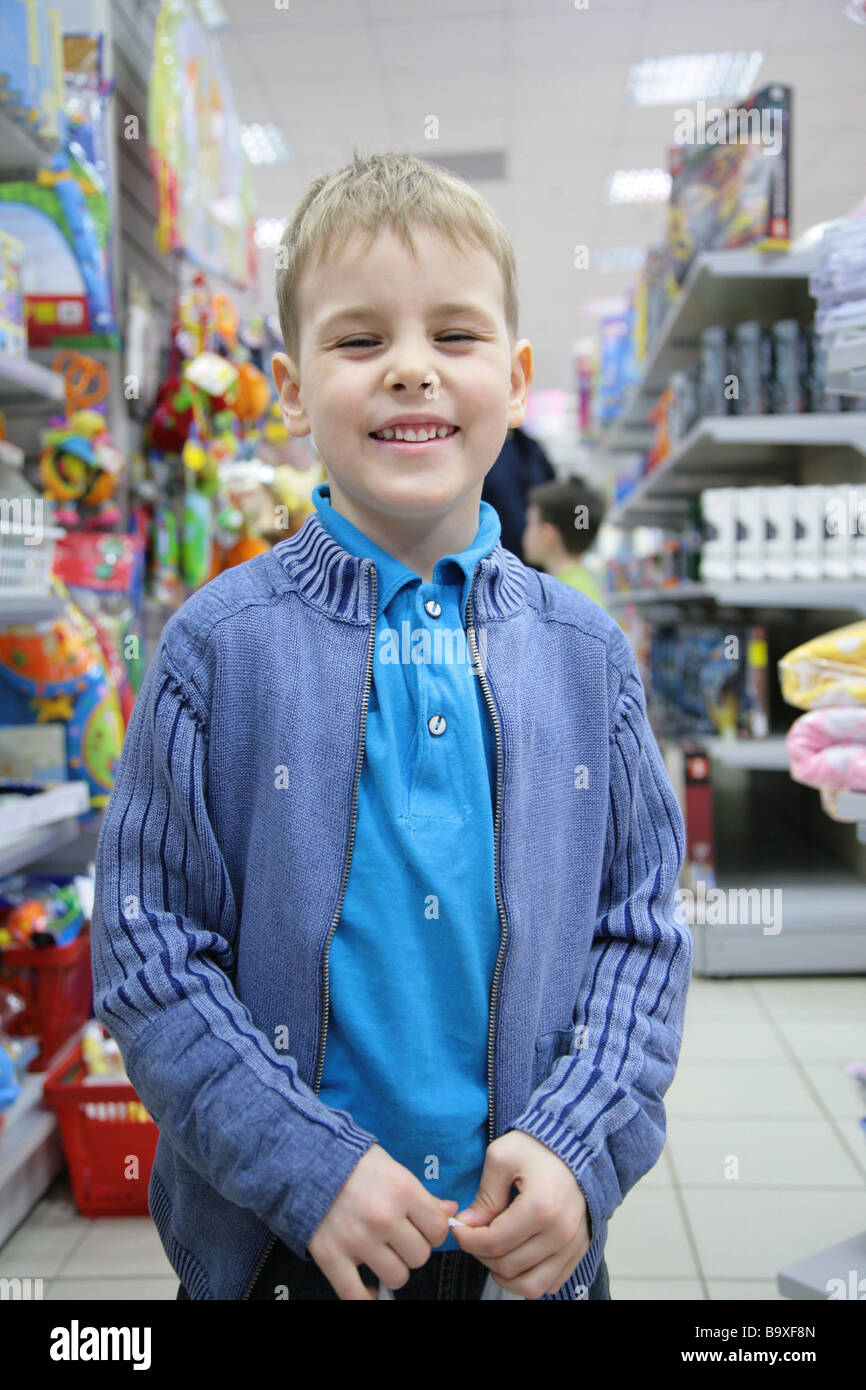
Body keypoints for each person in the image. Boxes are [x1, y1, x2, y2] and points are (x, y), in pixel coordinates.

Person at [90, 151, 692, 1302]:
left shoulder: (585, 657)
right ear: (289, 384)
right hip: (282, 1248)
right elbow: (148, 946)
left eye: (454, 338)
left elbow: (639, 934)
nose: (411, 370)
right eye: (360, 340)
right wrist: (302, 1164)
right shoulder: (218, 648)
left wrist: (580, 1142)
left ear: (514, 380)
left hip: (525, 1251)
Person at [523, 474, 608, 609]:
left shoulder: (561, 594)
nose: (525, 533)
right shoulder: (581, 585)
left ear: (547, 535)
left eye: (530, 523)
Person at [481, 424, 555, 561]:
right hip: (494, 561)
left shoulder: (531, 449)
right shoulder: (481, 454)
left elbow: (552, 498)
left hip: (536, 562)